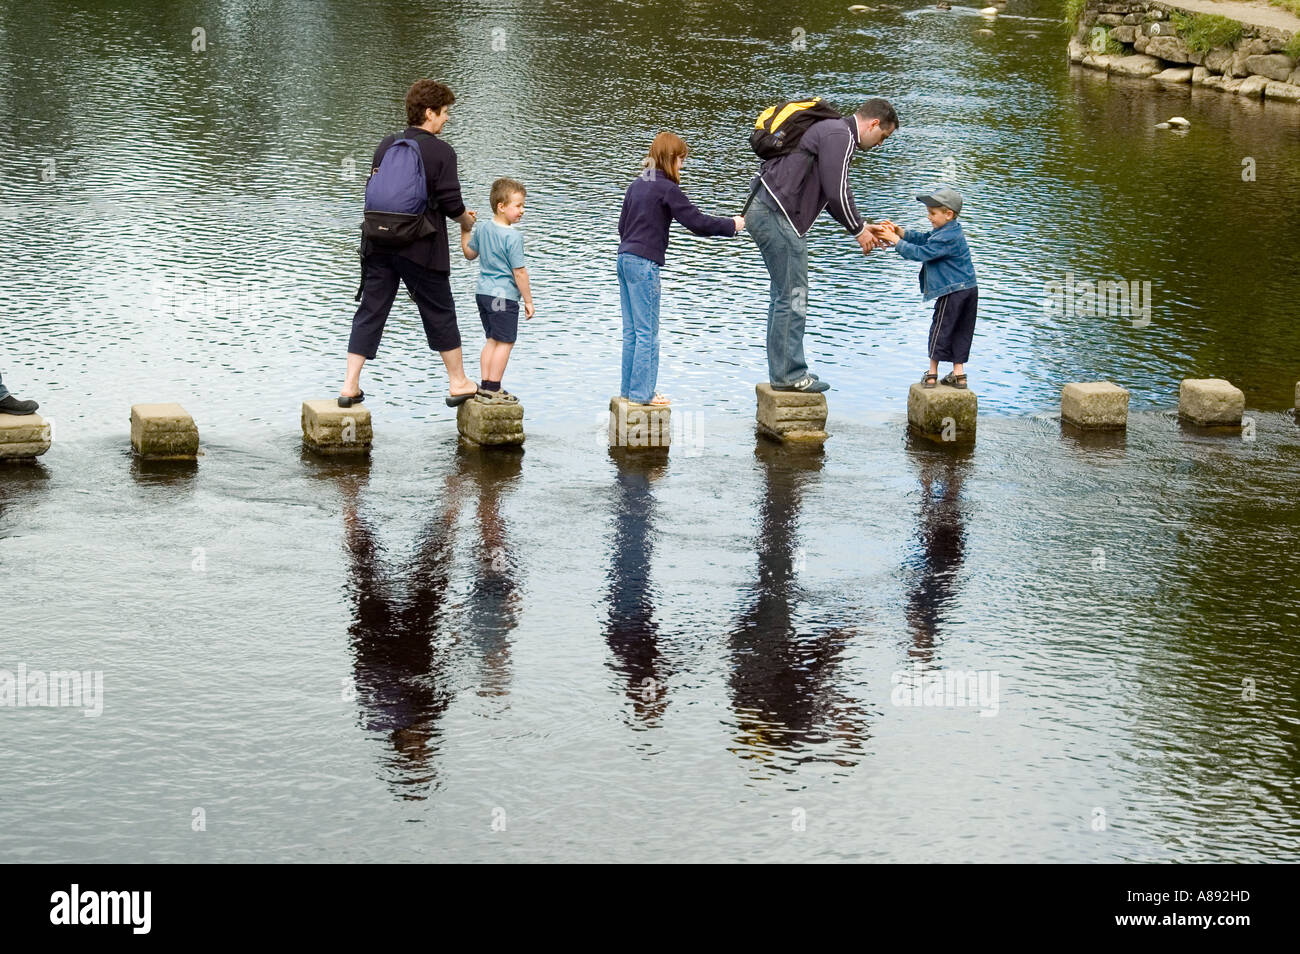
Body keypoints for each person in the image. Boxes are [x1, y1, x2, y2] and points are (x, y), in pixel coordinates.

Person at [340, 79, 479, 409]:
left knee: (371, 309)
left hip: (377, 241)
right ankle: (459, 382)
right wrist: (466, 222)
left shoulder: (387, 144)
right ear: (429, 113)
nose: (446, 120)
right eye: (444, 113)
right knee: (439, 310)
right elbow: (450, 202)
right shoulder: (441, 151)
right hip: (420, 245)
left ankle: (349, 386)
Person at [748, 98, 898, 393]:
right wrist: (857, 230)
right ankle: (790, 375)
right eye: (883, 137)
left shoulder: (834, 132)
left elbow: (834, 192)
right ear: (874, 124)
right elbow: (836, 187)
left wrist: (860, 223)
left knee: (785, 295)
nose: (880, 144)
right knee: (794, 295)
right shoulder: (840, 135)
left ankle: (785, 373)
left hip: (766, 210)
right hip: (775, 214)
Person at [617, 132, 743, 407]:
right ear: (671, 158)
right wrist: (732, 225)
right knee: (648, 332)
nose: (682, 166)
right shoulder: (666, 188)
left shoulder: (637, 184)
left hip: (624, 259)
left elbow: (621, 227)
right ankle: (643, 395)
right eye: (681, 159)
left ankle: (629, 391)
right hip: (644, 264)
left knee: (632, 331)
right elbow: (696, 222)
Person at [878, 185, 978, 389]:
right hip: (969, 289)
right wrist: (902, 233)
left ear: (948, 214)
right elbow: (925, 239)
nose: (929, 217)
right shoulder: (949, 232)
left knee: (940, 329)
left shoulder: (946, 236)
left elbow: (921, 253)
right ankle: (959, 375)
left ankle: (932, 374)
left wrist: (896, 241)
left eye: (933, 213)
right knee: (961, 330)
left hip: (952, 292)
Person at [460, 177, 533, 401]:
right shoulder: (513, 236)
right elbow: (519, 272)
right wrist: (528, 301)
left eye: (523, 205)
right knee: (506, 341)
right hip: (503, 296)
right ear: (501, 207)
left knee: (492, 339)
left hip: (483, 293)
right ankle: (494, 387)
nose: (522, 210)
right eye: (518, 205)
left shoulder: (482, 229)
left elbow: (469, 254)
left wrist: (465, 229)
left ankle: (485, 385)